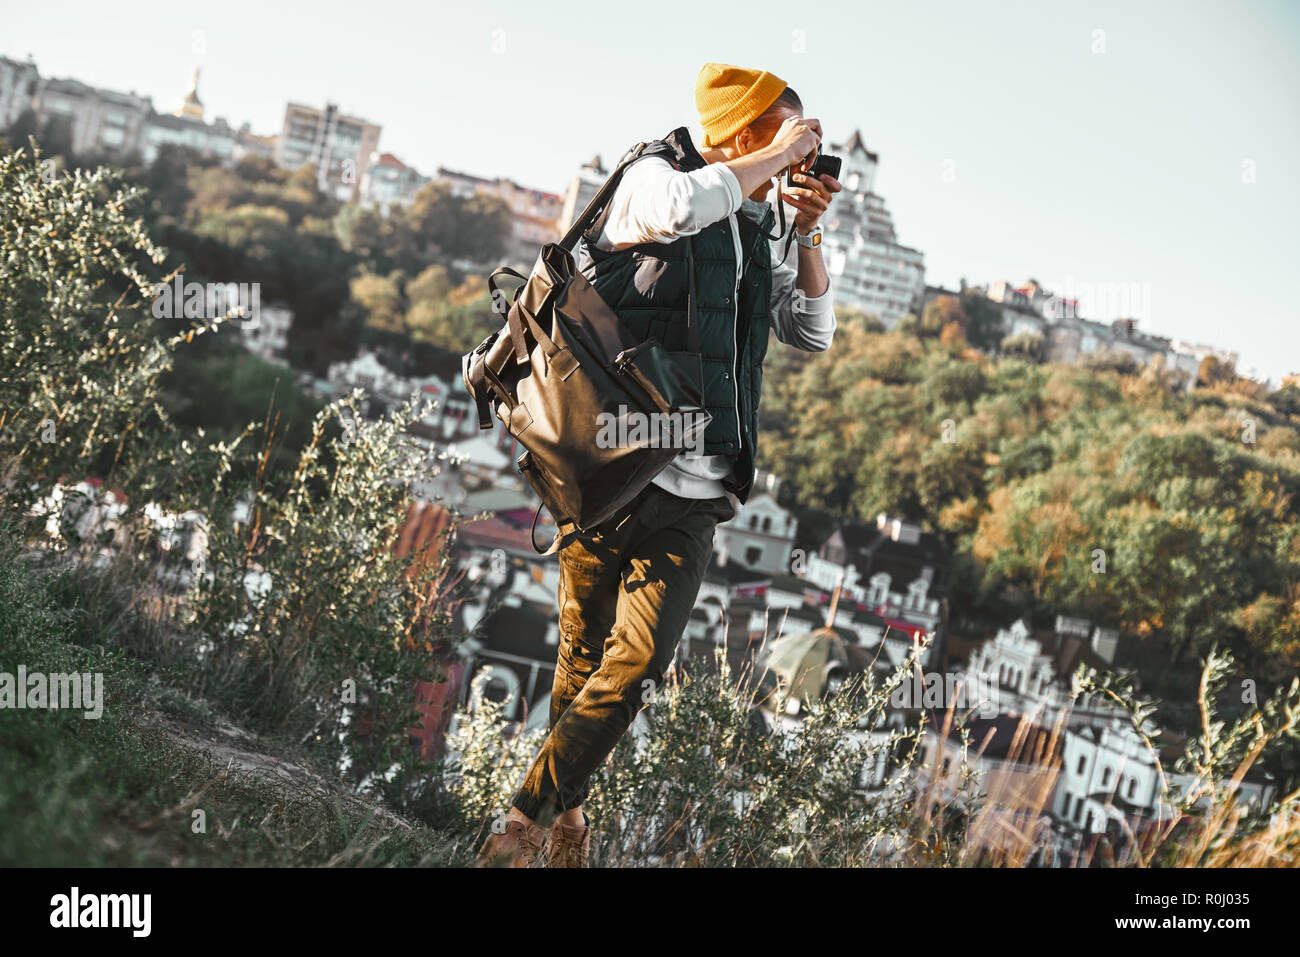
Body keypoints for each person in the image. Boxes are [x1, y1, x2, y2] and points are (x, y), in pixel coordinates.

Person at [475, 61, 841, 868]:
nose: (796, 152)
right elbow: (681, 208)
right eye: (784, 133)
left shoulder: (751, 223)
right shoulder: (653, 176)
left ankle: (522, 823)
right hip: (604, 471)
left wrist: (806, 230)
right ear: (744, 132)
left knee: (639, 660)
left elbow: (811, 331)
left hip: (695, 492)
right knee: (580, 657)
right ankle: (567, 826)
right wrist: (772, 163)